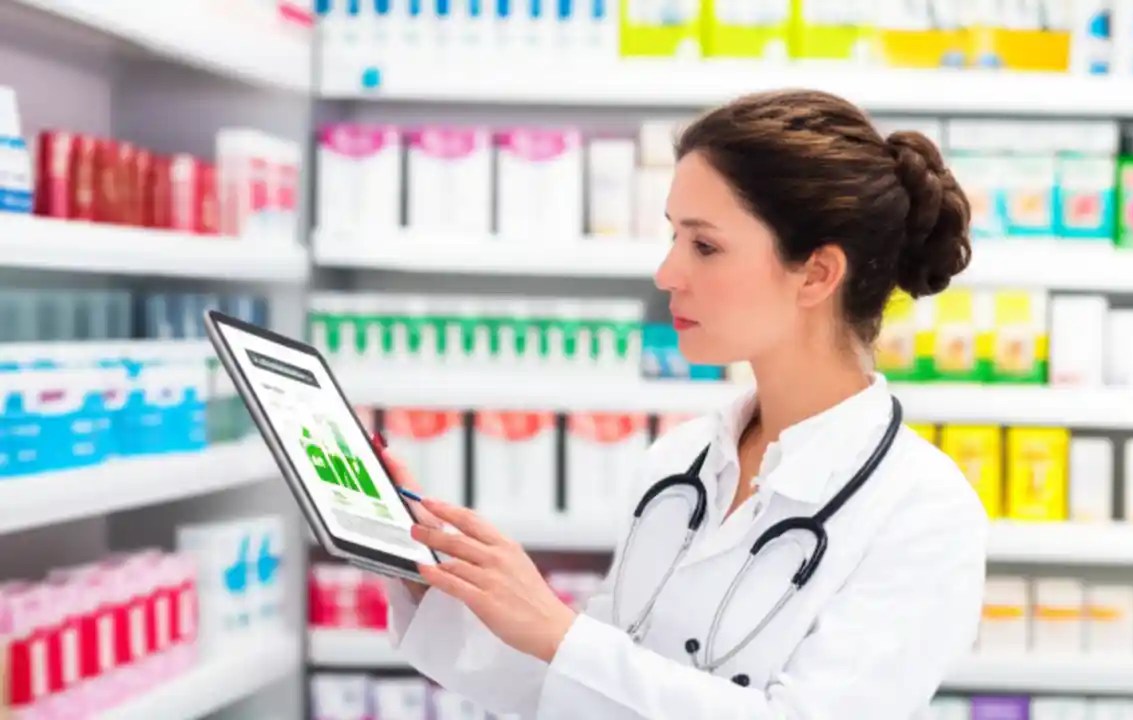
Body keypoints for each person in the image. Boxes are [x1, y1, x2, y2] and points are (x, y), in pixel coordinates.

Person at [372, 89, 988, 719]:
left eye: (705, 246)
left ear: (816, 275)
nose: (666, 272)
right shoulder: (681, 462)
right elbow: (584, 697)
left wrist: (561, 634)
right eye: (673, 237)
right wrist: (436, 580)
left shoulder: (923, 513)